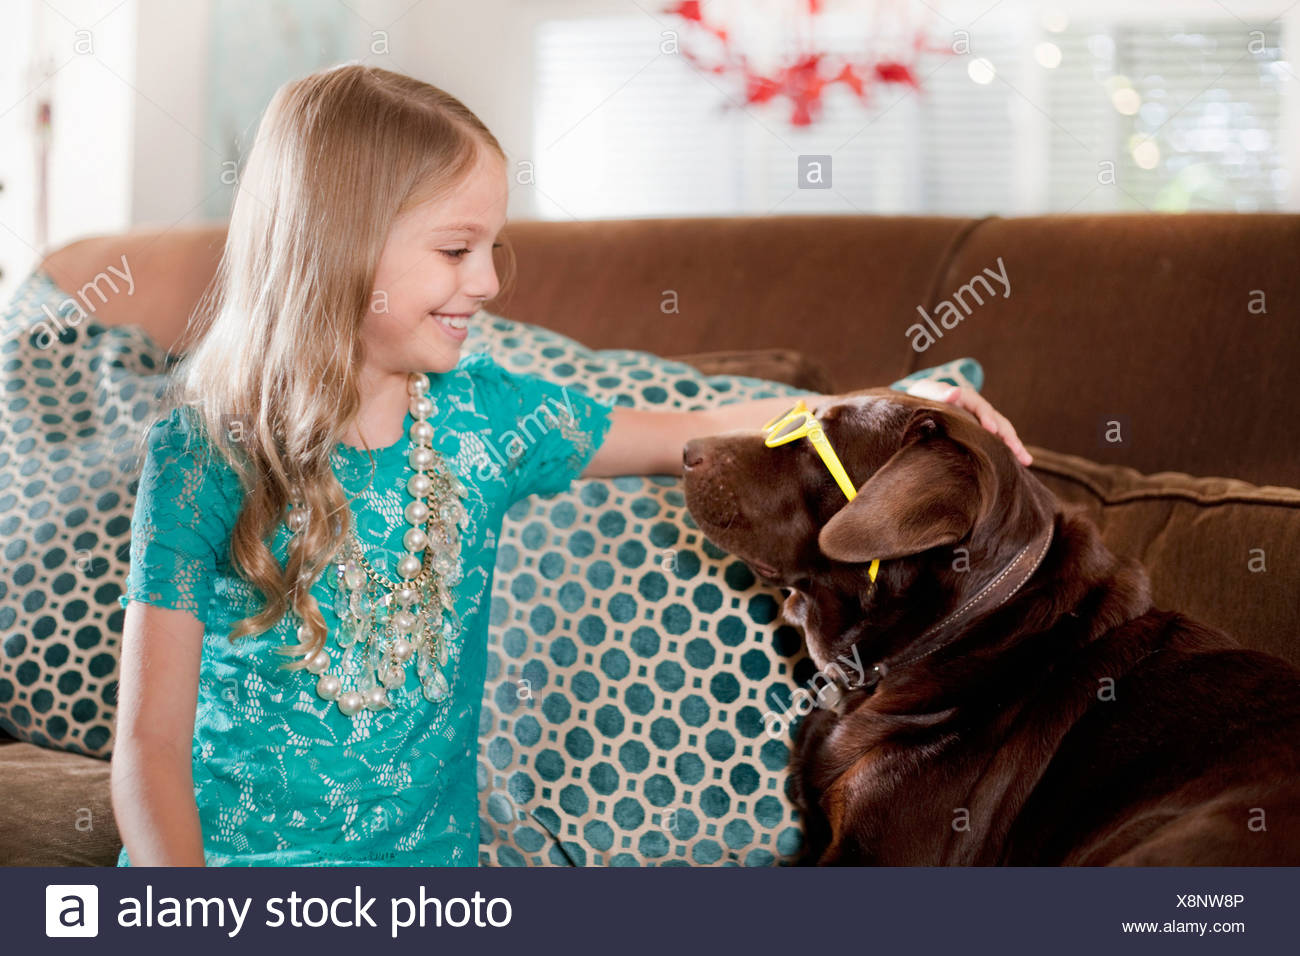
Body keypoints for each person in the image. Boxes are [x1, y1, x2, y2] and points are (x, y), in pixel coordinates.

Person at [109, 64, 1031, 867]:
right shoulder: (202, 455)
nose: (489, 283)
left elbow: (696, 427)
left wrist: (902, 402)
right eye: (455, 250)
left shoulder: (487, 419)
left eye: (491, 248)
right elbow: (148, 750)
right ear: (340, 248)